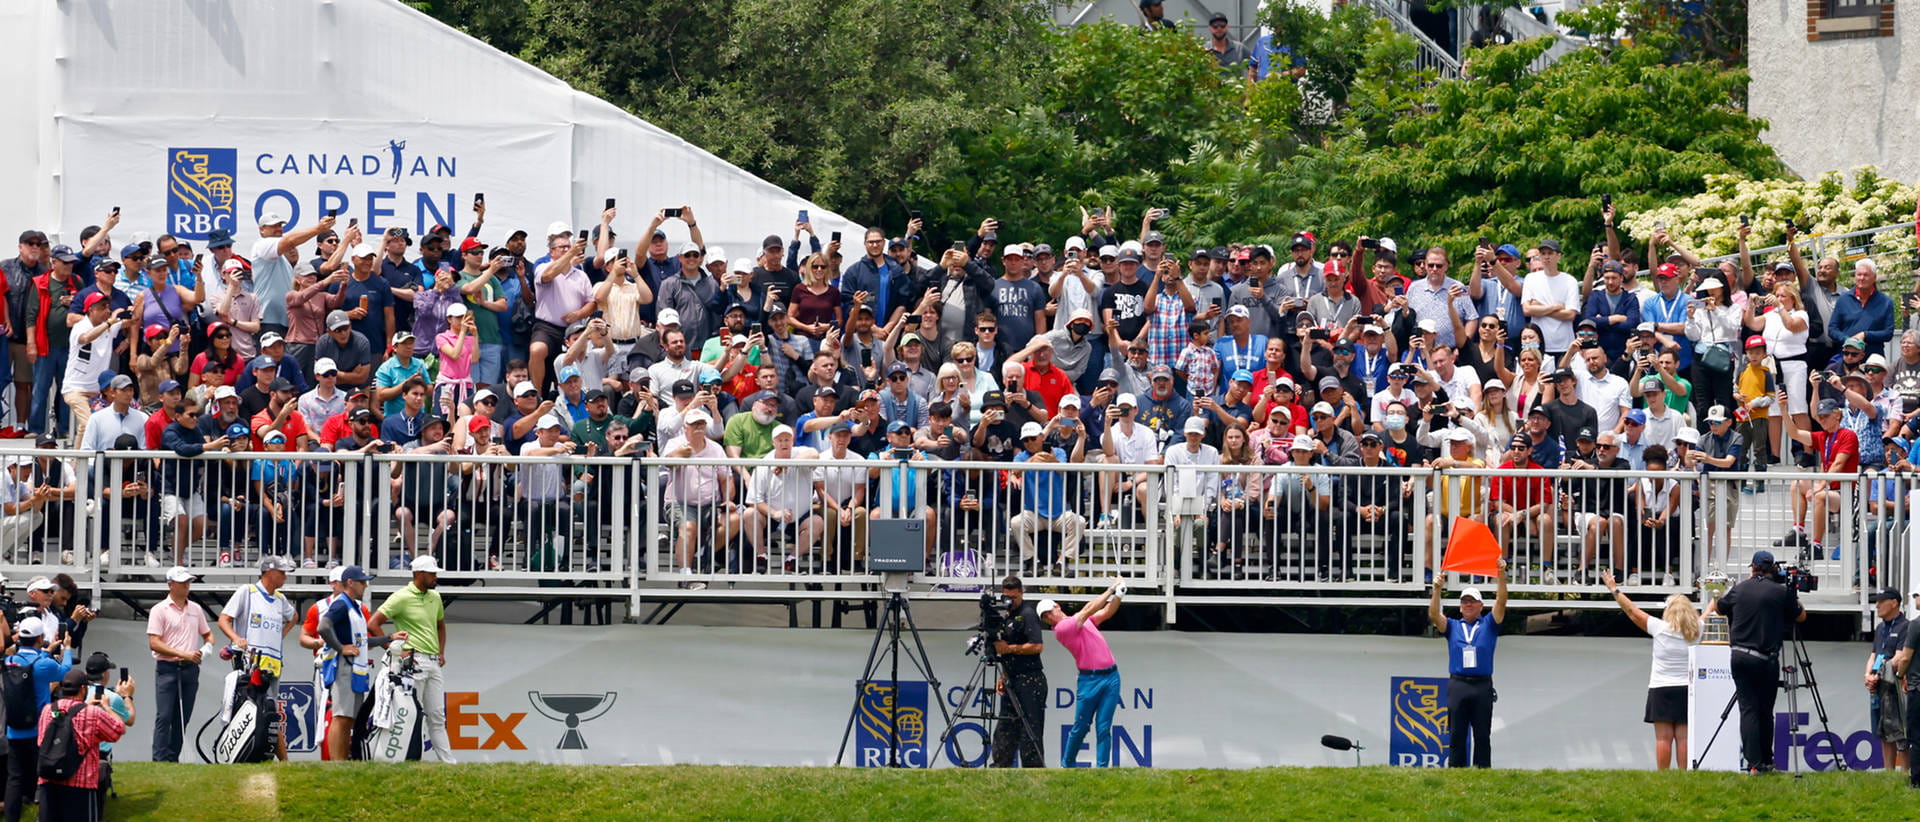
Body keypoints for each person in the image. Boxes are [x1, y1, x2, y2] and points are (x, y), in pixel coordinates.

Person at [1706, 550, 1806, 775]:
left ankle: (1755, 764)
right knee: (1764, 711)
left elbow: (1718, 608)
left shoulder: (1739, 588)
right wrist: (1792, 592)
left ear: (1752, 567)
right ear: (1773, 570)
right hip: (1766, 659)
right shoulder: (1780, 592)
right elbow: (1801, 616)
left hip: (1739, 656)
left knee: (1748, 709)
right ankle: (1765, 762)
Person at [1601, 571, 1701, 769]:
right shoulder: (1698, 630)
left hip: (1661, 687)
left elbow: (1632, 611)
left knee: (1663, 738)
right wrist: (1714, 601)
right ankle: (1685, 776)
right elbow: (1706, 615)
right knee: (1684, 737)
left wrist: (1614, 589)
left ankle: (1663, 776)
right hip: (1686, 688)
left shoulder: (1659, 628)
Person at [368, 555, 455, 763]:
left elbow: (440, 625)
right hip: (412, 663)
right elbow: (373, 623)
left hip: (433, 663)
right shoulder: (401, 596)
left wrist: (441, 651)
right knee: (410, 713)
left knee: (437, 715)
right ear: (419, 574)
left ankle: (448, 763)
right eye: (432, 573)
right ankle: (405, 758)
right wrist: (392, 649)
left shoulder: (435, 597)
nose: (435, 577)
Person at [1426, 557, 1508, 768]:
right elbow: (1434, 615)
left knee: (1482, 734)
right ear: (1460, 607)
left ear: (1481, 605)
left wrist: (1501, 575)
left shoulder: (1489, 624)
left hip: (1482, 685)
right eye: (1464, 601)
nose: (1468, 604)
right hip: (1458, 684)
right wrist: (1436, 590)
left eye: (1472, 601)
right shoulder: (1453, 626)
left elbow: (1501, 601)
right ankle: (1456, 772)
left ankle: (1482, 771)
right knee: (1456, 734)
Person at [316, 565, 404, 762]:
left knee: (348, 718)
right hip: (343, 666)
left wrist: (389, 637)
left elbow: (363, 642)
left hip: (355, 668)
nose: (366, 585)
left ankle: (342, 761)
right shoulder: (341, 604)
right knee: (341, 717)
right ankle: (337, 763)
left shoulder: (353, 606)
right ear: (350, 582)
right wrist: (341, 648)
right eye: (362, 581)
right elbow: (323, 626)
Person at [216, 555, 298, 761]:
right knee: (250, 711)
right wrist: (237, 639)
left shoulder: (280, 599)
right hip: (250, 664)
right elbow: (224, 619)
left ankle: (278, 760)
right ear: (269, 572)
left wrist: (281, 635)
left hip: (272, 665)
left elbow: (293, 616)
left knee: (269, 712)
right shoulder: (248, 592)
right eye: (282, 572)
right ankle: (245, 754)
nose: (285, 577)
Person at [1038, 578, 1126, 769]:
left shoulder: (1079, 621)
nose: (1049, 618)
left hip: (1111, 677)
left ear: (1058, 607)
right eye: (1045, 617)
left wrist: (1119, 594)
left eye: (1049, 612)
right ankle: (1068, 763)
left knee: (1104, 727)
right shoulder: (1062, 629)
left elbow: (1106, 612)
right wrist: (1111, 589)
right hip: (1089, 680)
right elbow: (1089, 609)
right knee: (1081, 726)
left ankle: (1102, 768)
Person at [5, 616, 72, 822]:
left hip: (13, 728)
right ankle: (44, 816)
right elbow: (65, 671)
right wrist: (67, 648)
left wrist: (46, 650)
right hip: (38, 729)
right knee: (43, 775)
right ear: (40, 638)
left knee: (14, 778)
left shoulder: (9, 661)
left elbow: (31, 658)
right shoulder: (44, 664)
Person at [35, 668, 126, 822]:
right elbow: (118, 729)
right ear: (83, 689)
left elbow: (41, 740)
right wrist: (107, 707)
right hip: (80, 784)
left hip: (48, 780)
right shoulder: (92, 713)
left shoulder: (48, 710)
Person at [144, 566, 210, 763]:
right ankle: (159, 759)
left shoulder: (196, 609)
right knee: (164, 716)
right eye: (182, 582)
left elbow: (207, 634)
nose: (186, 585)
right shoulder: (159, 610)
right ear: (170, 584)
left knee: (182, 718)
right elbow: (154, 643)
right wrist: (184, 654)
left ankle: (172, 759)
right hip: (167, 669)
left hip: (190, 669)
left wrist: (206, 649)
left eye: (188, 581)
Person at [989, 575, 1046, 768]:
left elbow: (1037, 646)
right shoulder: (1007, 615)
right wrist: (1004, 675)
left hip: (1030, 678)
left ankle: (1033, 769)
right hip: (1012, 677)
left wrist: (1011, 649)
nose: (1010, 602)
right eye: (1006, 597)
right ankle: (1000, 765)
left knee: (1030, 727)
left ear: (1021, 593)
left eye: (1014, 597)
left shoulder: (1027, 614)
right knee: (1006, 725)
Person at [1867, 587, 1909, 770]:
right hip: (1880, 685)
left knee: (1900, 732)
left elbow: (1899, 657)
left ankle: (1906, 773)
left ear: (1894, 603)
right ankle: (1888, 773)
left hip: (1895, 685)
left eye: (1881, 601)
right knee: (1883, 731)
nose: (1877, 605)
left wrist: (1878, 673)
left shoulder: (1905, 626)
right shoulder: (1880, 628)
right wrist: (1868, 675)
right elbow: (1874, 654)